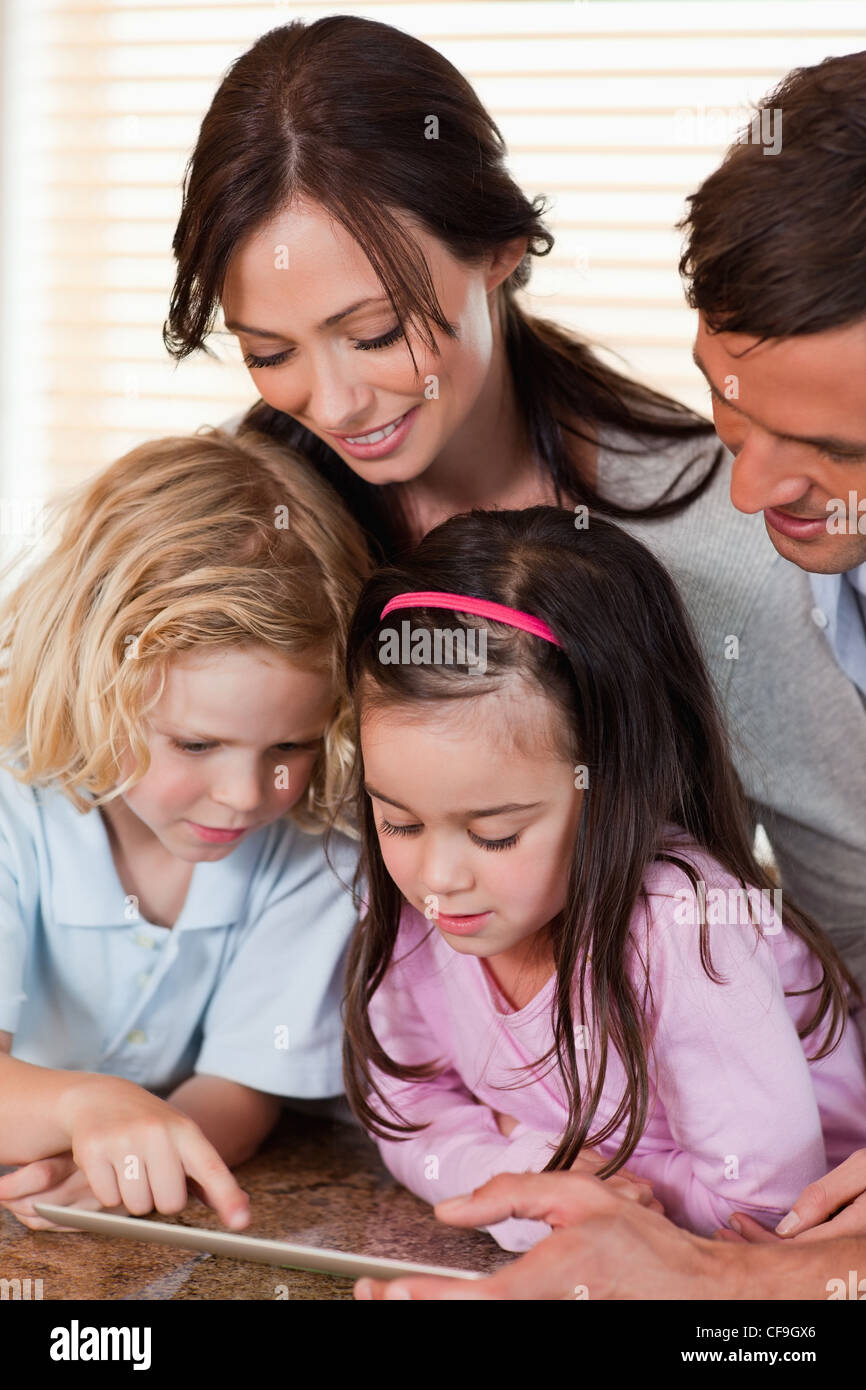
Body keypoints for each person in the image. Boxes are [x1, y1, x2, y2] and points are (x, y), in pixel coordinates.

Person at [165, 18, 866, 1033]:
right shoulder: (249, 534)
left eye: (373, 334)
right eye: (269, 350)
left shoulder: (719, 533)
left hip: (616, 1124)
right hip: (283, 1106)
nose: (333, 401)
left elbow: (849, 911)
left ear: (499, 250)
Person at [354, 48, 866, 1300]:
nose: (742, 497)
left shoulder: (682, 937)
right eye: (727, 414)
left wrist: (713, 1265)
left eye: (829, 446)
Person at [335, 505, 866, 1259]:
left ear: (615, 788)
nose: (438, 878)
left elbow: (764, 1212)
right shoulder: (411, 911)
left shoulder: (688, 929)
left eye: (496, 834)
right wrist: (524, 1173)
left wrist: (578, 1179)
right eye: (400, 822)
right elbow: (407, 1108)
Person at [0, 428, 368, 1230]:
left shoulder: (320, 847)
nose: (243, 795)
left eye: (291, 746)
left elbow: (241, 1085)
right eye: (196, 745)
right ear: (92, 681)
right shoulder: (13, 806)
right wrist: (89, 1109)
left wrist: (132, 1154)